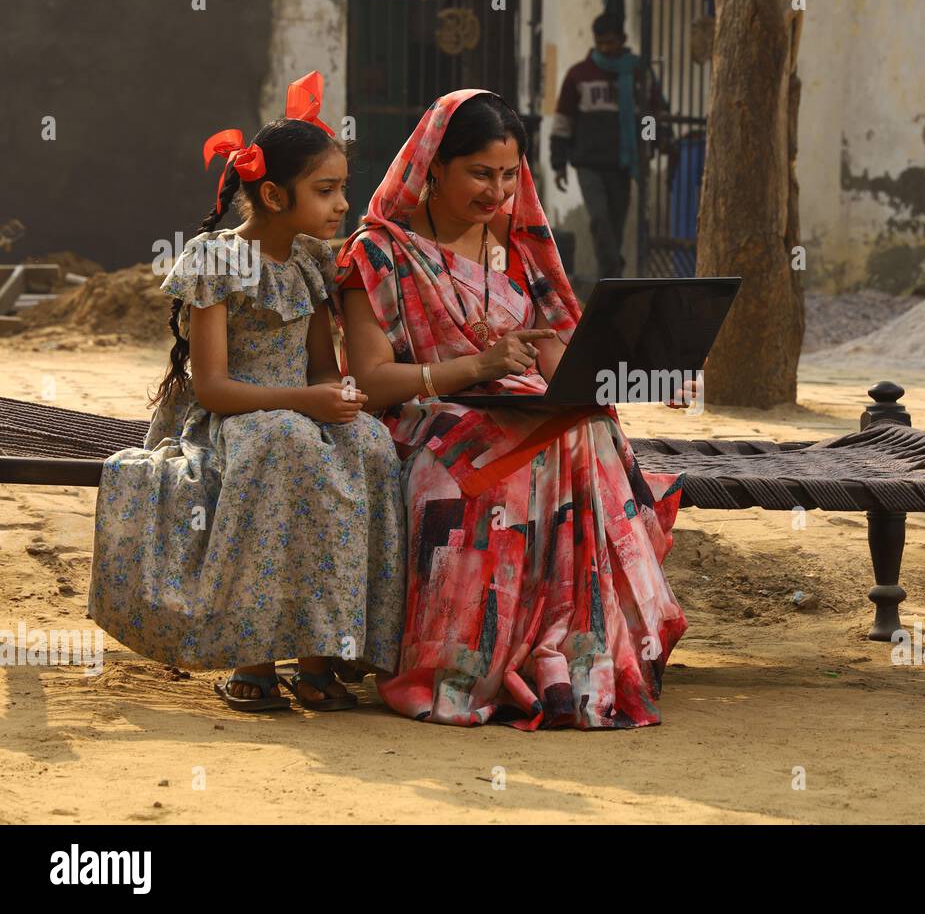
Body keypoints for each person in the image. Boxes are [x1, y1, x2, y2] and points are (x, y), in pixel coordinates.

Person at [335, 89, 692, 729]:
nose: (497, 192)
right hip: (423, 416)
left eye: (508, 175)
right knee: (491, 468)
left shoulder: (515, 247)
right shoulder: (377, 251)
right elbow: (370, 380)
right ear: (432, 166)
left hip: (514, 411)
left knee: (582, 431)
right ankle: (465, 668)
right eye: (479, 173)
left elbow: (554, 350)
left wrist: (615, 382)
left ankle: (569, 647)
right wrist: (477, 368)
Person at [88, 90, 406, 714]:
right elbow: (212, 387)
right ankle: (253, 657)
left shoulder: (313, 261)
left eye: (344, 188)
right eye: (327, 189)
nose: (344, 204)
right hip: (231, 420)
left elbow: (323, 367)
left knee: (369, 442)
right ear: (273, 195)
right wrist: (307, 403)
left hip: (300, 413)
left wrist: (337, 395)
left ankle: (321, 656)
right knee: (283, 443)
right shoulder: (217, 260)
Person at [550, 12, 671, 281]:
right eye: (601, 43)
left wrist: (658, 140)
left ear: (623, 40)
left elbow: (655, 110)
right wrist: (558, 163)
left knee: (615, 224)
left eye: (611, 42)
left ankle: (612, 277)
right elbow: (563, 120)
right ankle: (611, 274)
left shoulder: (638, 73)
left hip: (622, 163)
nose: (606, 48)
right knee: (600, 220)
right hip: (588, 163)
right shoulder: (579, 75)